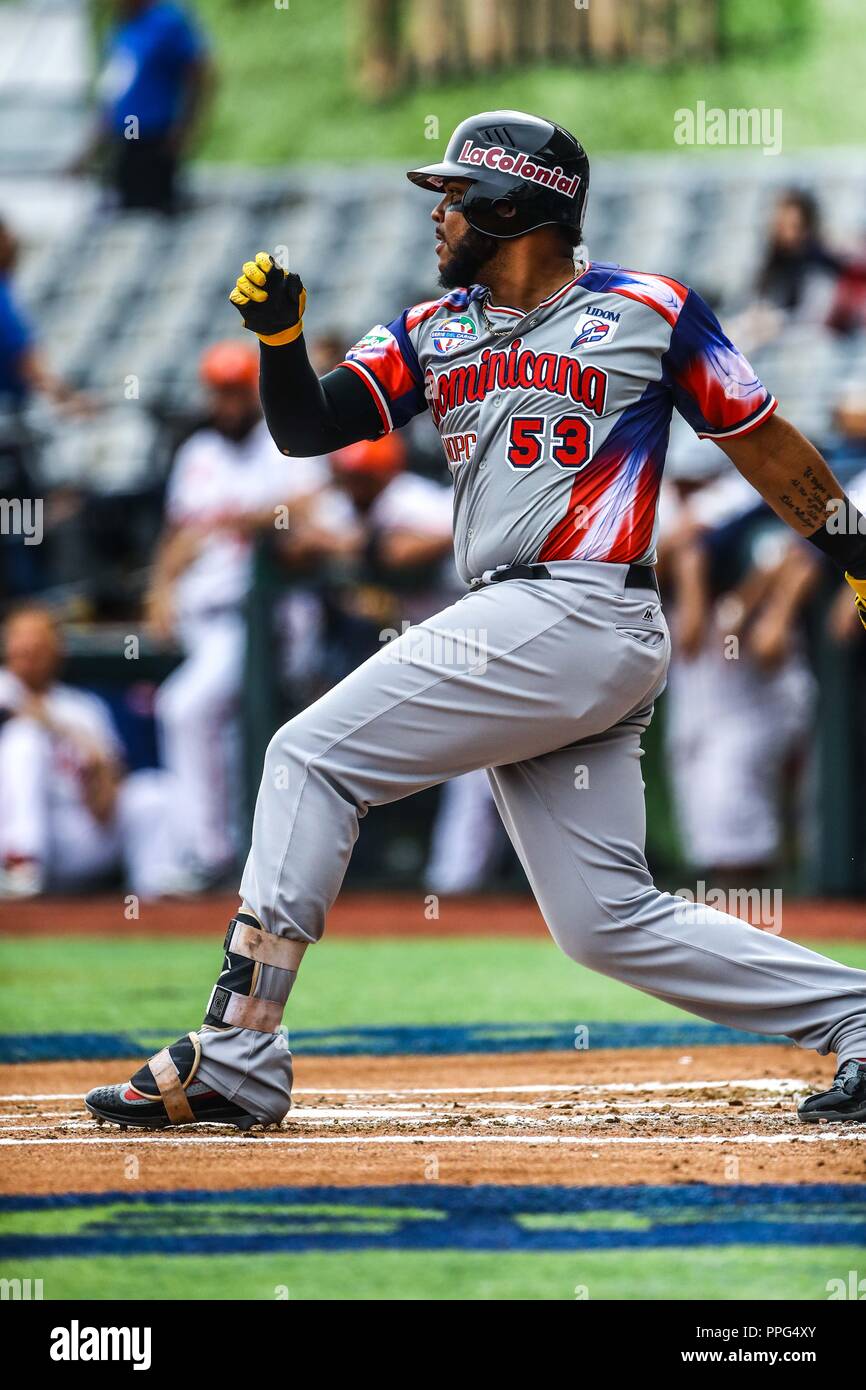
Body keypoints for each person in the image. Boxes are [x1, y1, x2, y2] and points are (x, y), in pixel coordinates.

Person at [87, 111, 866, 1133]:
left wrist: (850, 551)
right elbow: (308, 424)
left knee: (310, 756)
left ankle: (236, 1046)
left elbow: (756, 440)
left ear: (515, 206)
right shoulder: (432, 325)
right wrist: (279, 341)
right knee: (605, 923)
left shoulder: (648, 308)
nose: (439, 214)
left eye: (456, 196)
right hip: (527, 622)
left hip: (579, 605)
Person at [147, 340, 328, 887]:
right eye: (217, 392)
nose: (226, 404)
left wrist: (243, 519)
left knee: (186, 707)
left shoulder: (286, 441)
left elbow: (314, 507)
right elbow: (181, 533)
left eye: (234, 391)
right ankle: (217, 854)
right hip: (201, 614)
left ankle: (209, 852)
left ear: (252, 389)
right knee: (218, 734)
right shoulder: (198, 451)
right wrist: (158, 588)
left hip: (261, 618)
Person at [0, 606, 181, 899]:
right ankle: (21, 865)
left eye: (39, 639)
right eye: (22, 638)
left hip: (70, 832)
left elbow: (110, 787)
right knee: (24, 741)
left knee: (152, 792)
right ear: (8, 644)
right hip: (14, 831)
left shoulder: (81, 707)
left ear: (57, 649)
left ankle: (154, 902)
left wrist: (99, 776)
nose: (30, 647)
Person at [76, 0, 212, 213]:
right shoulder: (122, 26)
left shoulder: (168, 21)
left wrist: (185, 129)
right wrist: (91, 148)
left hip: (154, 139)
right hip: (125, 142)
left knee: (150, 212)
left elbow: (200, 74)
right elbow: (115, 91)